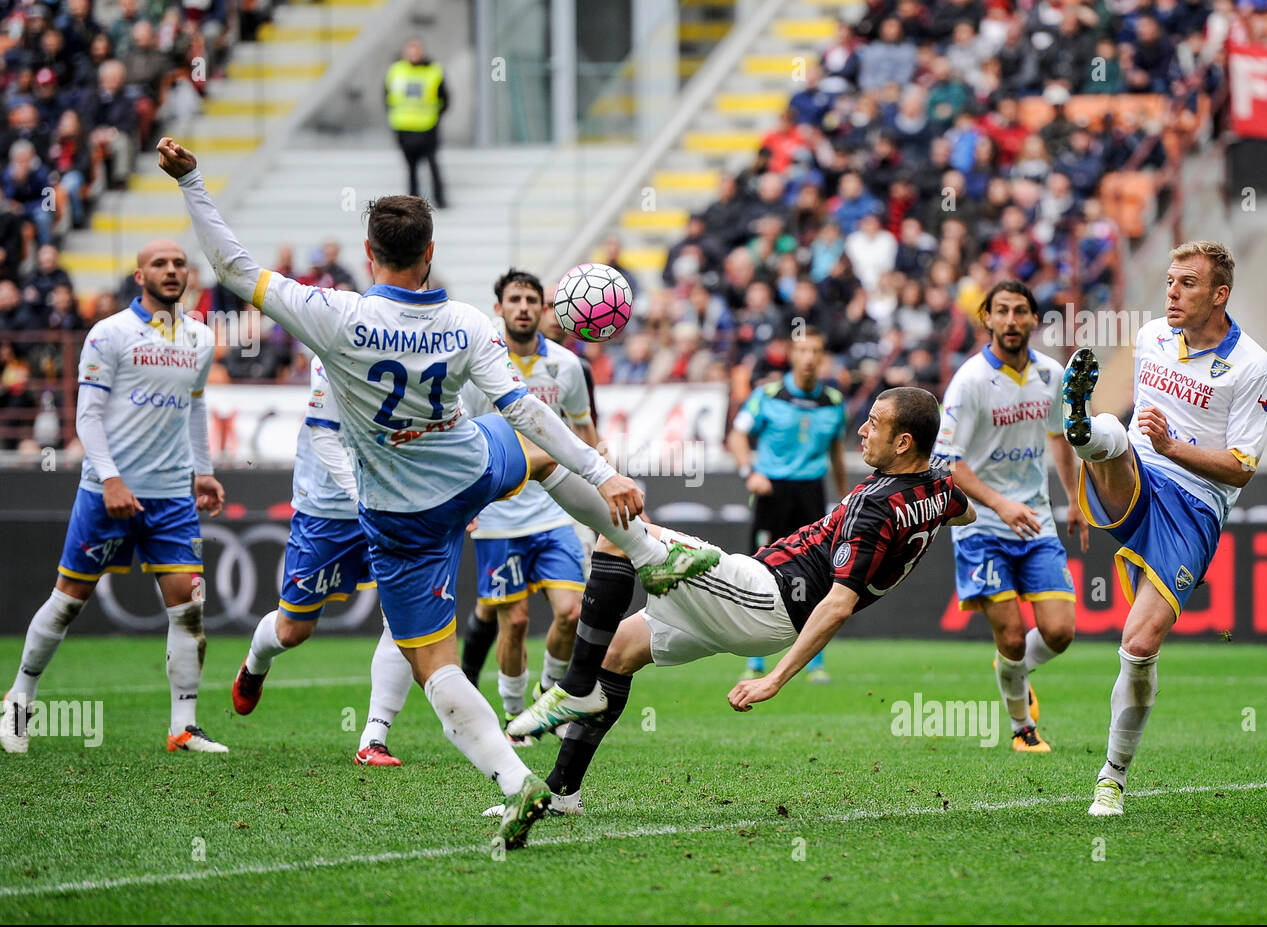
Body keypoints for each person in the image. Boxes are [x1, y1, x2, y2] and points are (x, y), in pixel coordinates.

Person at [158, 136, 720, 847]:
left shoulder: (333, 315)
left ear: (370, 254)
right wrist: (603, 470)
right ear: (429, 254)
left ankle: (517, 785)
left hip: (397, 511)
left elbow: (232, 267)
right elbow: (523, 410)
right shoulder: (463, 321)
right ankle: (648, 555)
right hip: (466, 467)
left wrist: (192, 180)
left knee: (435, 663)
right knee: (544, 460)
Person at [503, 388, 975, 813]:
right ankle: (563, 794)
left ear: (903, 443)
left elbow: (837, 604)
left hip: (762, 597)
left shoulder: (875, 506)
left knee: (619, 532)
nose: (862, 429)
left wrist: (774, 679)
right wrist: (927, 500)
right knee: (619, 653)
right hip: (759, 603)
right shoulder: (939, 488)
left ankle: (577, 688)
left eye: (875, 422)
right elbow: (966, 512)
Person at [1061, 241, 1267, 817]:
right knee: (1110, 429)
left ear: (1219, 294)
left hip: (1198, 503)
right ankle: (1080, 430)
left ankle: (1112, 777)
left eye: (1187, 284)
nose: (1172, 293)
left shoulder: (1253, 365)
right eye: (1170, 281)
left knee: (1138, 643)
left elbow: (1241, 469)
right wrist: (1151, 446)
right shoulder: (1153, 335)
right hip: (1137, 471)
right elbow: (1142, 427)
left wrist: (1173, 446)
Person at [1, 239, 227, 755]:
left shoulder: (198, 336)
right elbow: (88, 415)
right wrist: (109, 479)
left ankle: (183, 727)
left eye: (178, 264)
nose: (171, 271)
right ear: (139, 275)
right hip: (108, 493)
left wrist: (204, 472)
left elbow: (194, 408)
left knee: (189, 609)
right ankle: (19, 698)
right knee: (66, 605)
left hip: (171, 498)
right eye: (159, 264)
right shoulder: (110, 334)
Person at [230, 356, 409, 767]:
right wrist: (361, 494)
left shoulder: (416, 349)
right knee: (293, 631)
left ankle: (373, 738)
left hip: (392, 505)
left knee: (402, 617)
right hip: (327, 511)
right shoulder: (332, 349)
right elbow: (322, 435)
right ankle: (256, 663)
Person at [932, 280, 1087, 753]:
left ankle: (1011, 671)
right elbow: (947, 463)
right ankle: (1023, 727)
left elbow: (1059, 436)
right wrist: (999, 504)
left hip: (1036, 519)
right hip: (981, 525)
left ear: (1033, 320)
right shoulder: (970, 381)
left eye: (1021, 311)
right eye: (1002, 311)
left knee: (1060, 632)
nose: (1012, 320)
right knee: (1013, 636)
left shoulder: (1051, 374)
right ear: (988, 319)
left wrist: (1075, 500)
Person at [457, 270, 597, 752]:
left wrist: (596, 493)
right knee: (513, 621)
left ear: (543, 310)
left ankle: (548, 694)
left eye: (531, 300)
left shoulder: (567, 367)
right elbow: (462, 434)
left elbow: (585, 432)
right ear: (499, 307)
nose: (522, 306)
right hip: (497, 511)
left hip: (554, 507)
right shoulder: (482, 365)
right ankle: (515, 714)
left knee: (571, 612)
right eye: (513, 299)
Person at [728, 329, 848, 683]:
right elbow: (736, 435)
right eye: (803, 350)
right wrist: (749, 471)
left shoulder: (833, 402)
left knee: (818, 578)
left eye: (816, 351)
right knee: (758, 573)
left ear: (823, 357)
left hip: (811, 492)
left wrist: (845, 500)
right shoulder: (767, 395)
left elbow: (837, 454)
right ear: (792, 356)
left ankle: (815, 661)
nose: (809, 357)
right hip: (771, 491)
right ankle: (755, 660)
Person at [385, 38, 448, 209]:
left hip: (427, 127)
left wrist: (434, 116)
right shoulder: (396, 70)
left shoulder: (433, 70)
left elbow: (445, 98)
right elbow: (387, 97)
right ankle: (412, 204)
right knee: (411, 168)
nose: (413, 54)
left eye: (417, 50)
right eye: (410, 50)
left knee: (433, 164)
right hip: (404, 127)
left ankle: (440, 199)